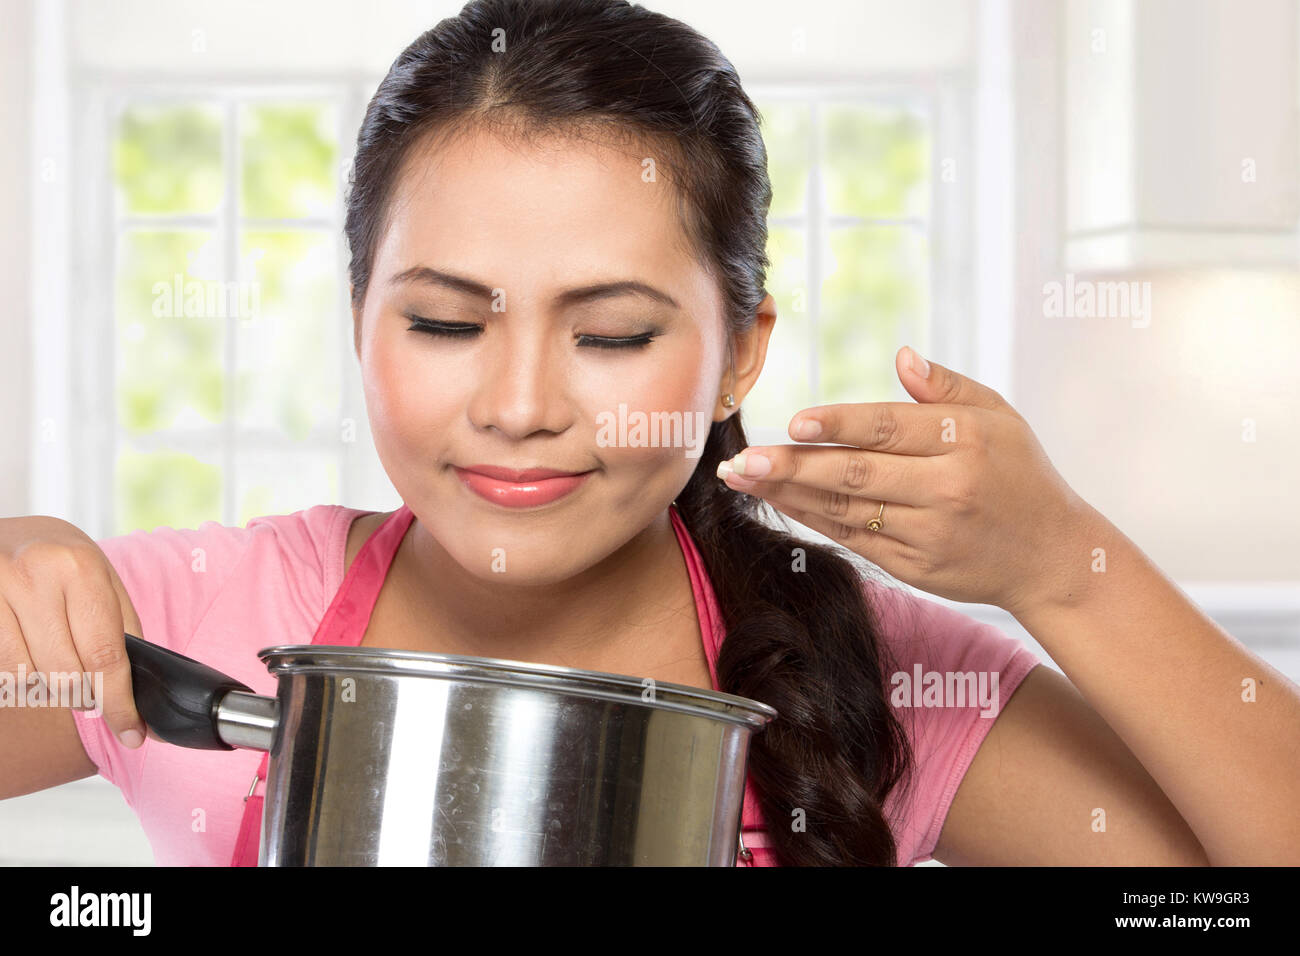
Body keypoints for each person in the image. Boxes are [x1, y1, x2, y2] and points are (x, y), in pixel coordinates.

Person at [3, 0, 1296, 867]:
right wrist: (20, 577)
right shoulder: (204, 620)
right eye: (447, 324)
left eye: (612, 333)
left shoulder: (870, 679)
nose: (520, 406)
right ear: (361, 322)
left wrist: (1063, 566)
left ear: (741, 349)